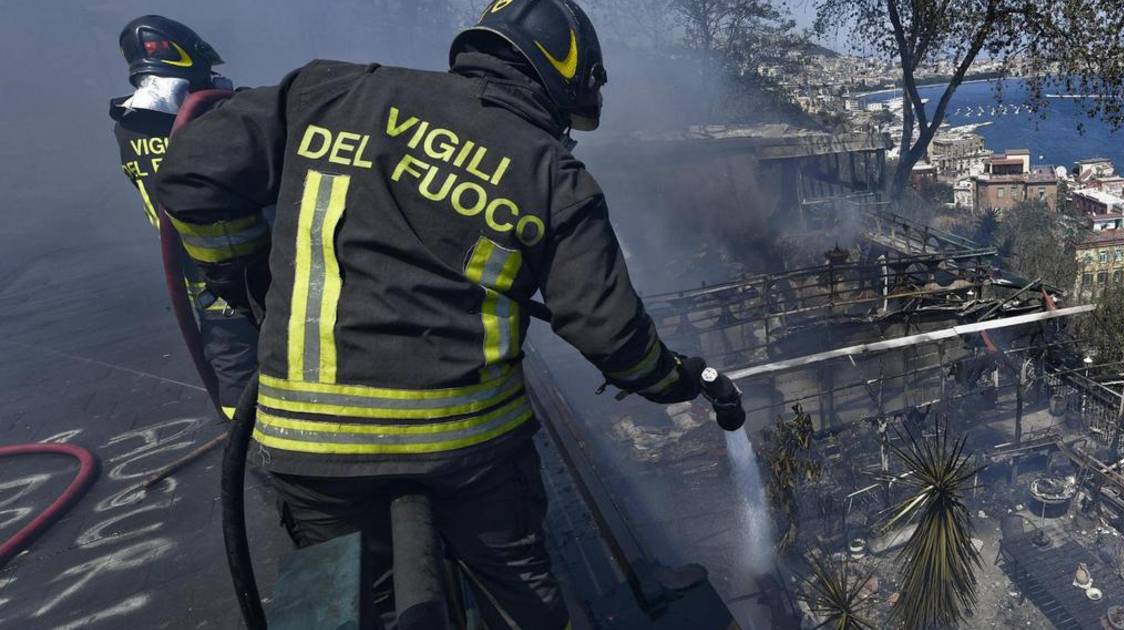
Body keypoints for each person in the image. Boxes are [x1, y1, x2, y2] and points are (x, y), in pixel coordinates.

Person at [155, 1, 708, 627]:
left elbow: (191, 175)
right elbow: (609, 332)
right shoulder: (550, 171)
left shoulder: (331, 90)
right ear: (560, 79)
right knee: (520, 601)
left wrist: (245, 275)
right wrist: (679, 381)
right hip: (469, 450)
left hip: (311, 444)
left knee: (363, 607)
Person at [110, 15, 258, 419]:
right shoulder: (202, 118)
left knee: (230, 354)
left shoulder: (130, 126)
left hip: (192, 267)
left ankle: (242, 433)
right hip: (242, 260)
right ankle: (264, 443)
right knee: (251, 350)